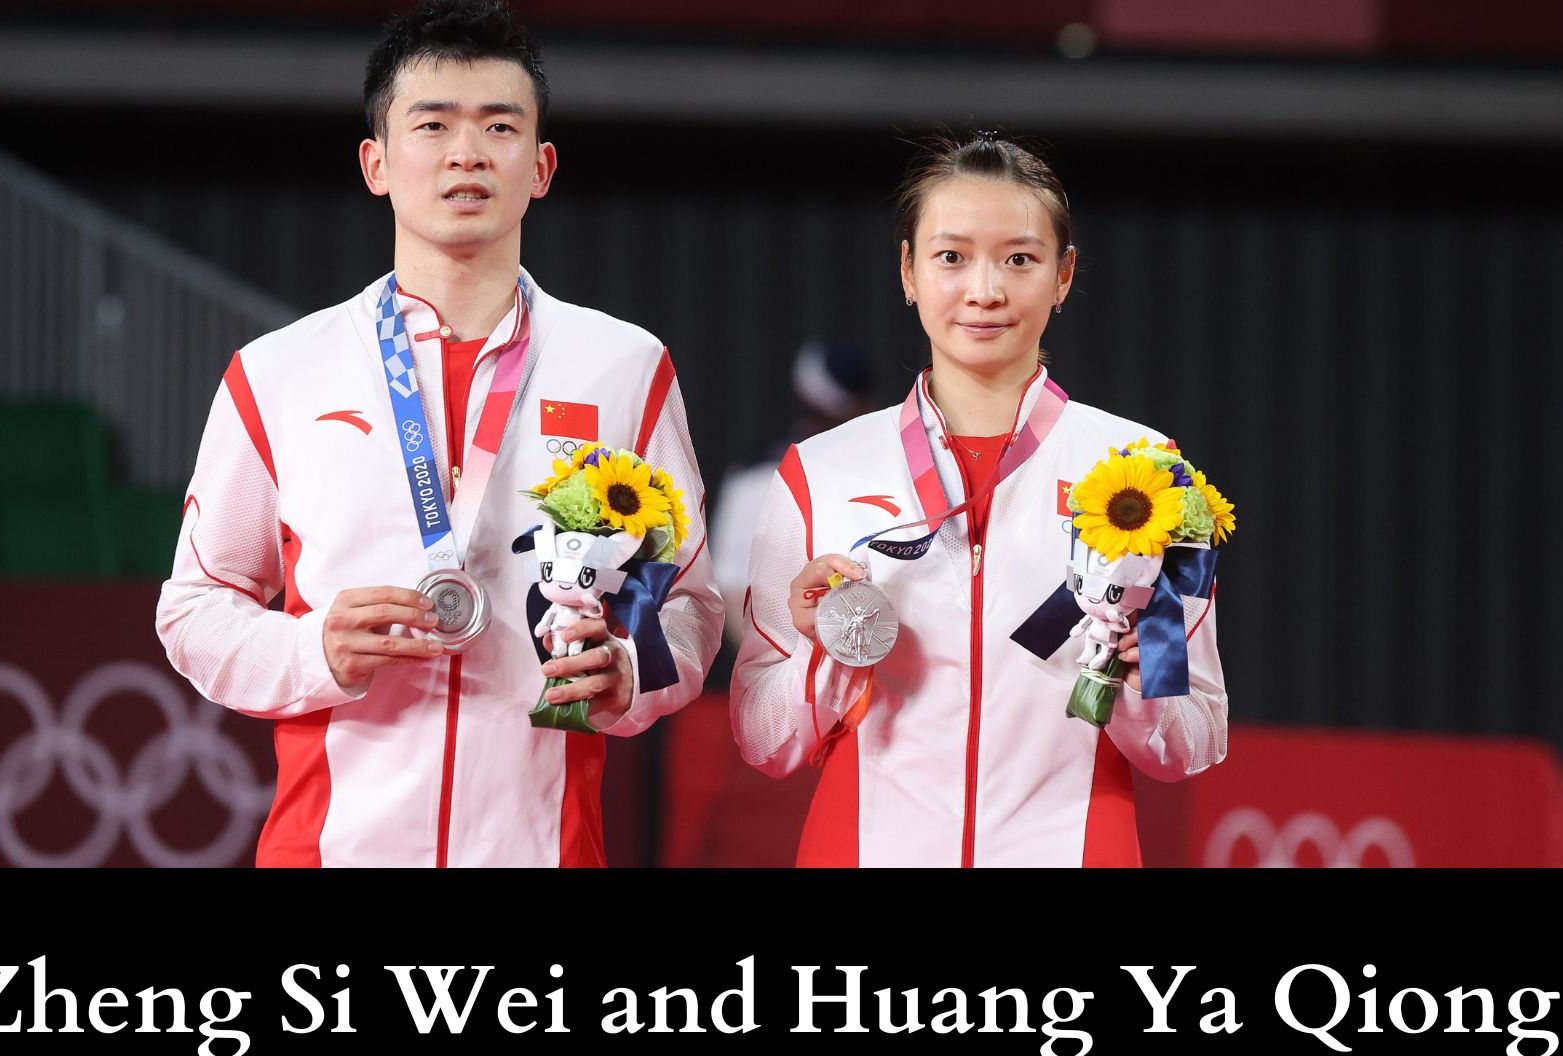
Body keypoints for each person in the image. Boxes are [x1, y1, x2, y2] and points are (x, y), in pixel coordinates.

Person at [157, 0, 721, 867]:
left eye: (500, 125)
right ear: (376, 163)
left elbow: (684, 603)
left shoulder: (624, 368)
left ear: (541, 166)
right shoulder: (280, 373)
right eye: (434, 125)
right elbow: (195, 609)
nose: (467, 153)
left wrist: (633, 670)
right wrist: (315, 649)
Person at [729, 134, 1226, 867]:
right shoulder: (822, 470)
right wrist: (826, 652)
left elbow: (1195, 740)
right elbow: (763, 739)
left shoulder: (1144, 476)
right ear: (908, 270)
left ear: (1064, 275)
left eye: (1019, 259)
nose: (984, 290)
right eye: (951, 256)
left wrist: (1132, 672)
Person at [709, 340, 875, 652]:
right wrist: (771, 667)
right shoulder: (757, 477)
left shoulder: (886, 469)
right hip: (784, 660)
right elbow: (731, 585)